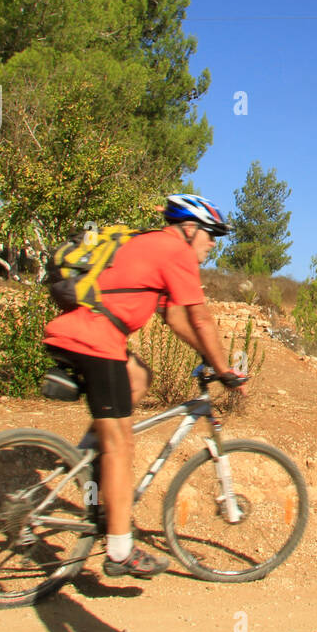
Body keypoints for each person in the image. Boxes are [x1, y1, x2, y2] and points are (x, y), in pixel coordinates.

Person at [42, 193, 247, 578]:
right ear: (190, 229)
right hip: (96, 341)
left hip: (83, 335)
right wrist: (224, 370)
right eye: (210, 234)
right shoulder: (175, 251)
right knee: (122, 445)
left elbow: (175, 318)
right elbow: (200, 319)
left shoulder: (147, 243)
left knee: (139, 377)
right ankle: (121, 551)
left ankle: (88, 460)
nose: (213, 243)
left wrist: (208, 358)